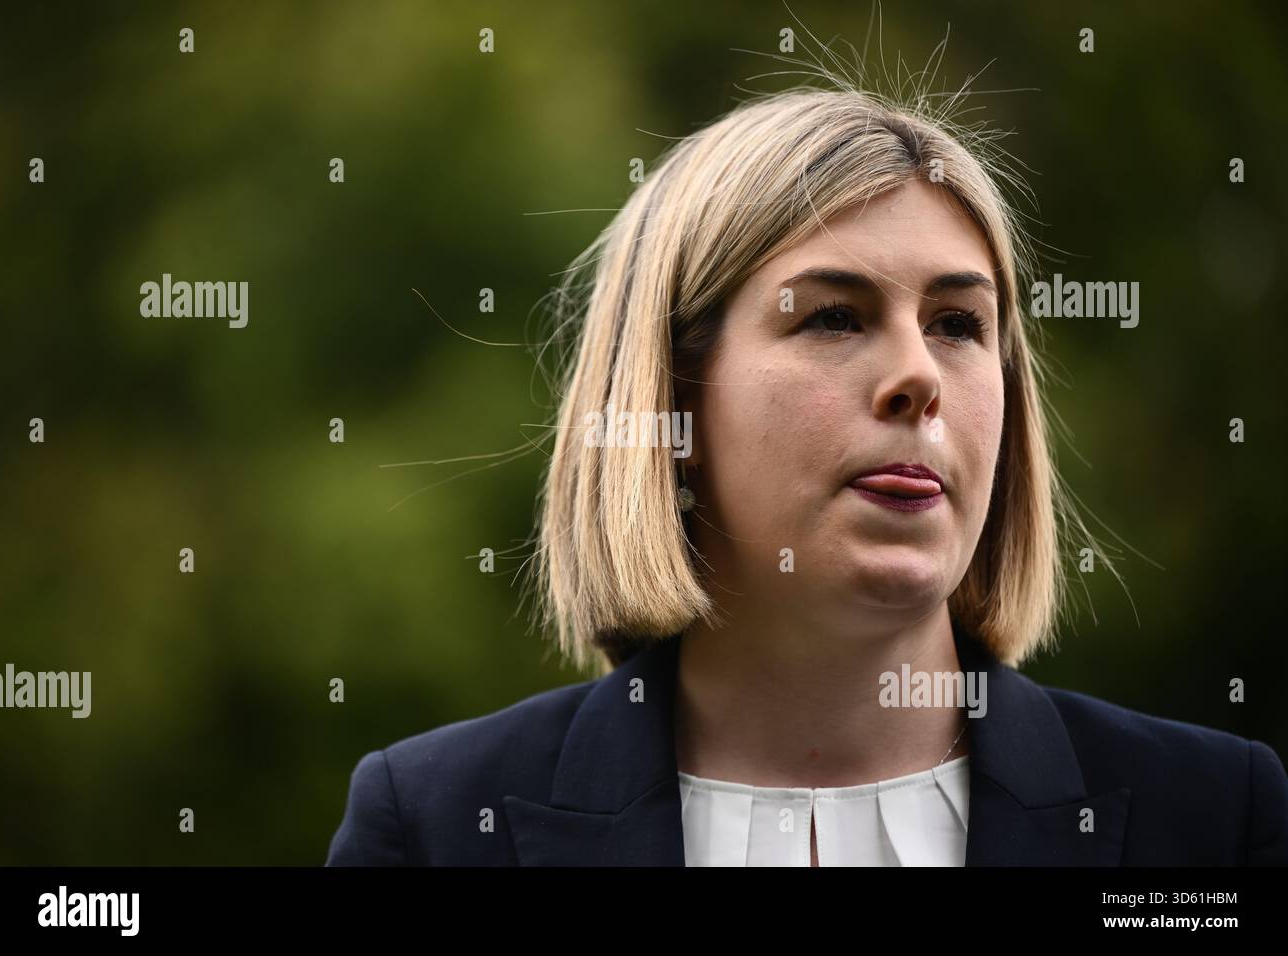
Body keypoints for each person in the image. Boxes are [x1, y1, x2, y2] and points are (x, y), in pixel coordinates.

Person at [326, 83, 1288, 866]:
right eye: (833, 316)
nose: (919, 375)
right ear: (673, 400)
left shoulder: (1214, 818)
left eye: (959, 324)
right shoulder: (438, 825)